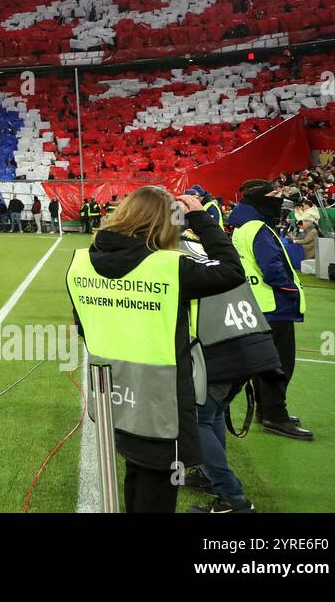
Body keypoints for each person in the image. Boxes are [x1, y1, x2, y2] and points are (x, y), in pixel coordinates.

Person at [66, 187, 247, 513]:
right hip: (161, 400)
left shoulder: (81, 263)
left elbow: (83, 325)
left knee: (136, 474)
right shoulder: (169, 266)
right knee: (158, 489)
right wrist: (200, 217)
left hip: (113, 396)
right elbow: (232, 271)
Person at [179, 231, 282, 513]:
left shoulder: (175, 260)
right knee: (211, 416)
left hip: (221, 349)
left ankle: (232, 498)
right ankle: (208, 476)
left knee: (197, 420)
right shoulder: (208, 250)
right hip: (249, 345)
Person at [230, 180, 313, 440]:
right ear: (261, 199)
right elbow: (272, 267)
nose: (280, 199)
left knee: (265, 364)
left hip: (257, 305)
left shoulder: (243, 227)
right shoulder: (258, 228)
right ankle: (275, 416)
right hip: (274, 306)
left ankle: (267, 411)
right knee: (279, 365)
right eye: (274, 195)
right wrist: (288, 290)